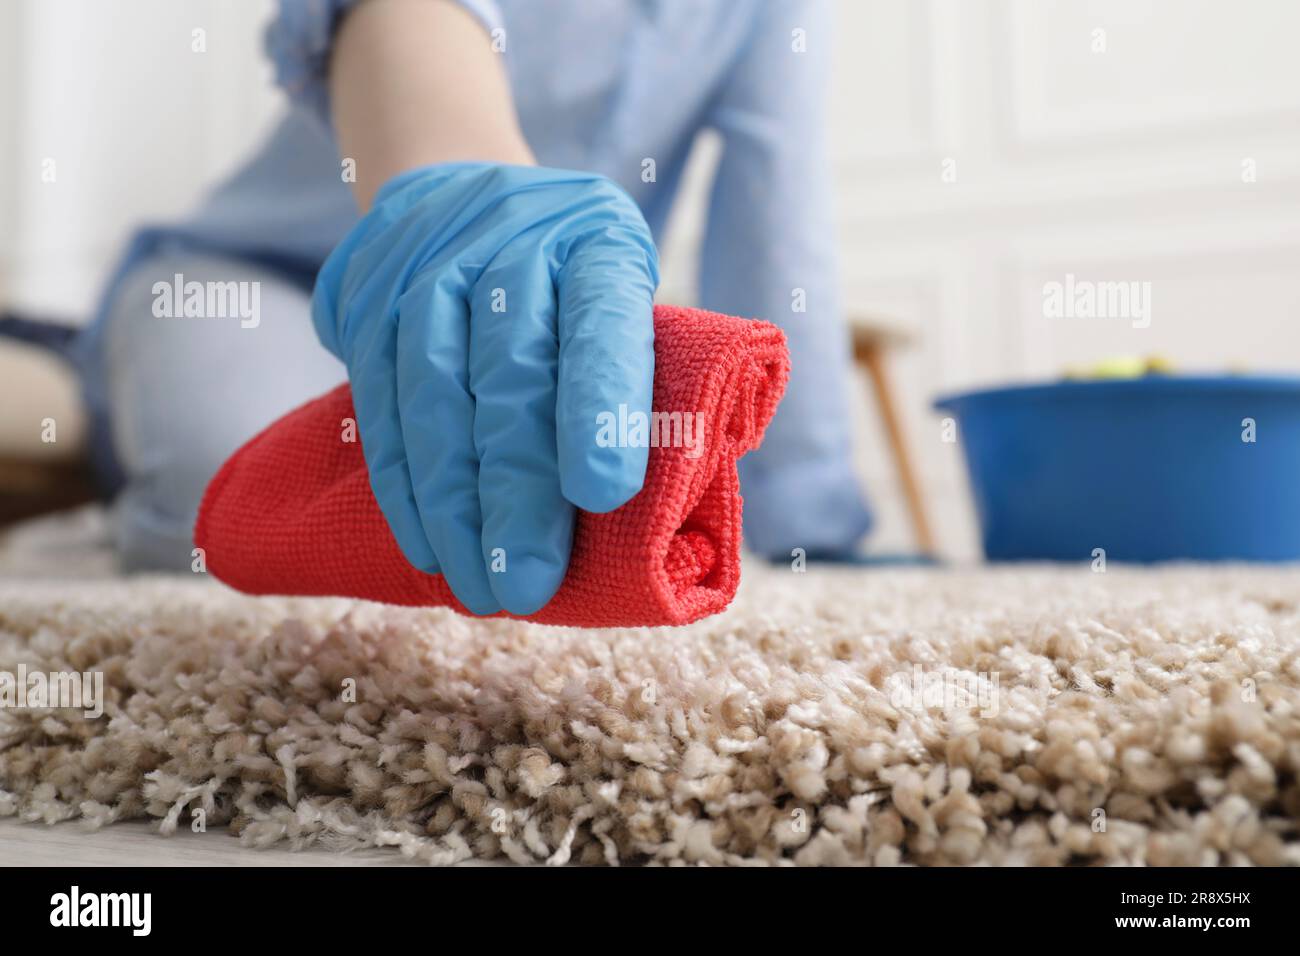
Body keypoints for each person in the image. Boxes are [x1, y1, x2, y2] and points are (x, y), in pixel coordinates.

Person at [77, 0, 871, 615]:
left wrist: (810, 524)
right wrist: (454, 178)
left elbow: (777, 212)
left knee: (499, 478)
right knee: (212, 502)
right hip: (260, 277)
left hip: (526, 316)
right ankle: (105, 410)